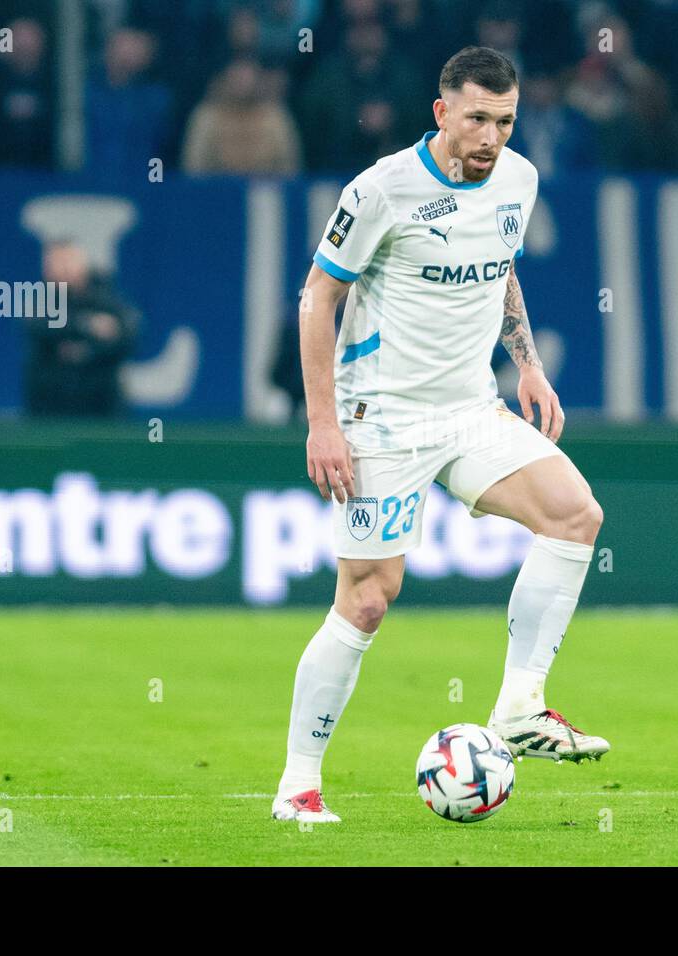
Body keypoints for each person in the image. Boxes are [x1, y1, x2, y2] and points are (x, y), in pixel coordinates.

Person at [274, 46, 607, 825]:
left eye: (506, 120)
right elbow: (316, 301)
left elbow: (501, 269)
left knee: (574, 514)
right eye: (478, 119)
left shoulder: (518, 180)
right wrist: (323, 422)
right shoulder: (383, 189)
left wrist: (527, 366)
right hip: (381, 420)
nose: (492, 137)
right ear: (442, 114)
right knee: (366, 601)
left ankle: (521, 707)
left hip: (468, 408)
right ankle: (298, 784)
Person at [23, 241, 138, 417]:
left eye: (68, 261)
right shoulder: (39, 301)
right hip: (49, 405)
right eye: (57, 263)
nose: (64, 269)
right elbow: (37, 327)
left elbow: (127, 336)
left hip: (101, 403)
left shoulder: (106, 297)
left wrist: (87, 351)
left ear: (82, 264)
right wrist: (87, 325)